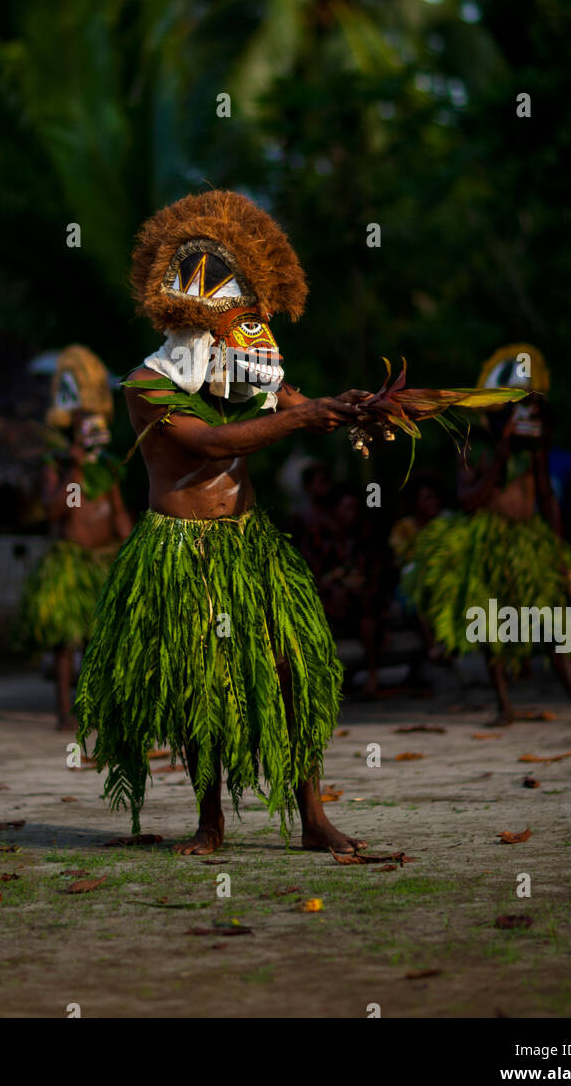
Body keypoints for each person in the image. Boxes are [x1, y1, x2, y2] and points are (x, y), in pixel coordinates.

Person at [73, 190, 374, 854]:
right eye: (226, 327)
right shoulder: (145, 388)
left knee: (290, 669)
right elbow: (210, 446)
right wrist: (298, 418)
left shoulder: (237, 379)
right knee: (201, 683)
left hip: (248, 545)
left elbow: (292, 399)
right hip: (180, 549)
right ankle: (210, 823)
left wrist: (349, 409)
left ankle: (312, 819)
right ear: (194, 332)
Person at [408, 344, 571, 725]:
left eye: (526, 408)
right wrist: (499, 454)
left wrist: (559, 549)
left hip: (531, 540)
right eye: (515, 408)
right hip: (489, 542)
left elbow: (546, 496)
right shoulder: (474, 448)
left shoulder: (534, 450)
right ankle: (504, 705)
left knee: (552, 624)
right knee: (491, 622)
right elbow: (468, 500)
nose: (523, 415)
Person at [13, 345, 132, 729]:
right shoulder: (57, 466)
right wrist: (75, 470)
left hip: (104, 559)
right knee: (66, 641)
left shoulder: (111, 469)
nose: (91, 427)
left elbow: (118, 512)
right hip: (69, 560)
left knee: (101, 641)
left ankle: (101, 708)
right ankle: (64, 713)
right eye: (84, 422)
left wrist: (132, 551)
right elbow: (55, 510)